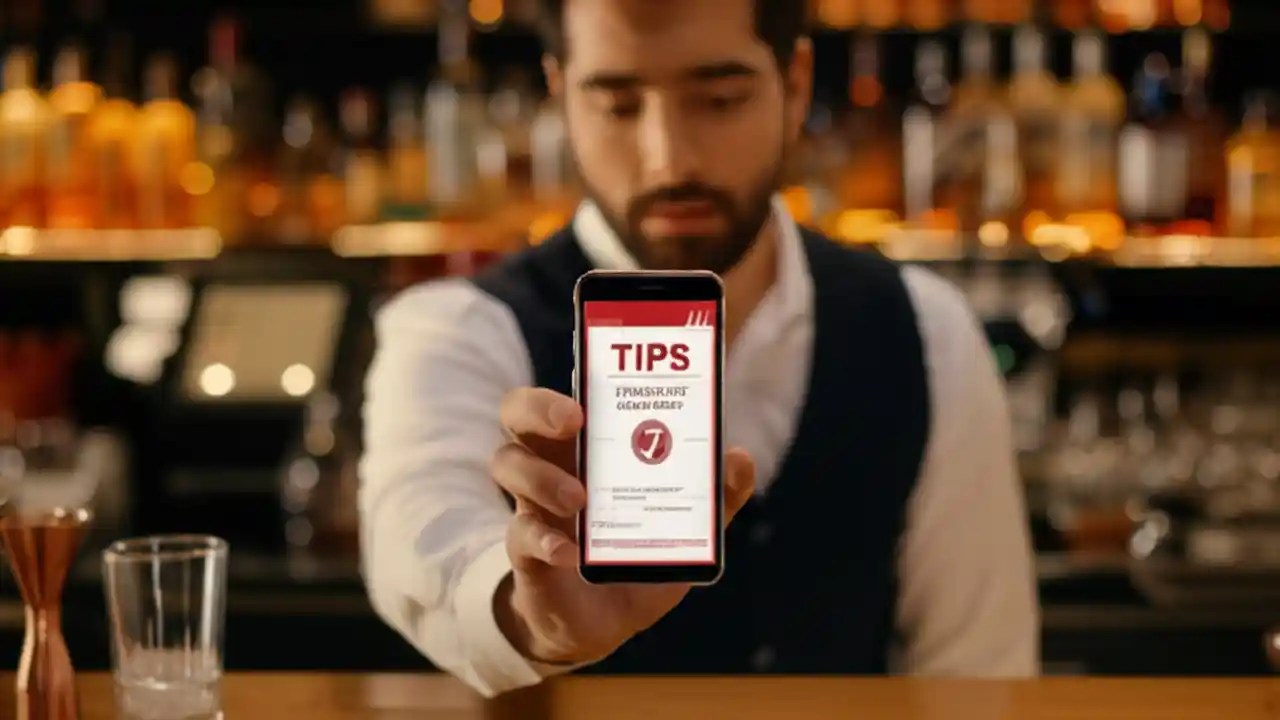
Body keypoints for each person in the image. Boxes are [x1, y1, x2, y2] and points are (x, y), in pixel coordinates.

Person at [359, 0, 1038, 698]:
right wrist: (528, 616)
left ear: (796, 82)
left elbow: (980, 675)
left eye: (720, 99)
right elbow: (420, 539)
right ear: (562, 96)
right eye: (619, 106)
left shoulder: (928, 329)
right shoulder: (455, 327)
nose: (670, 157)